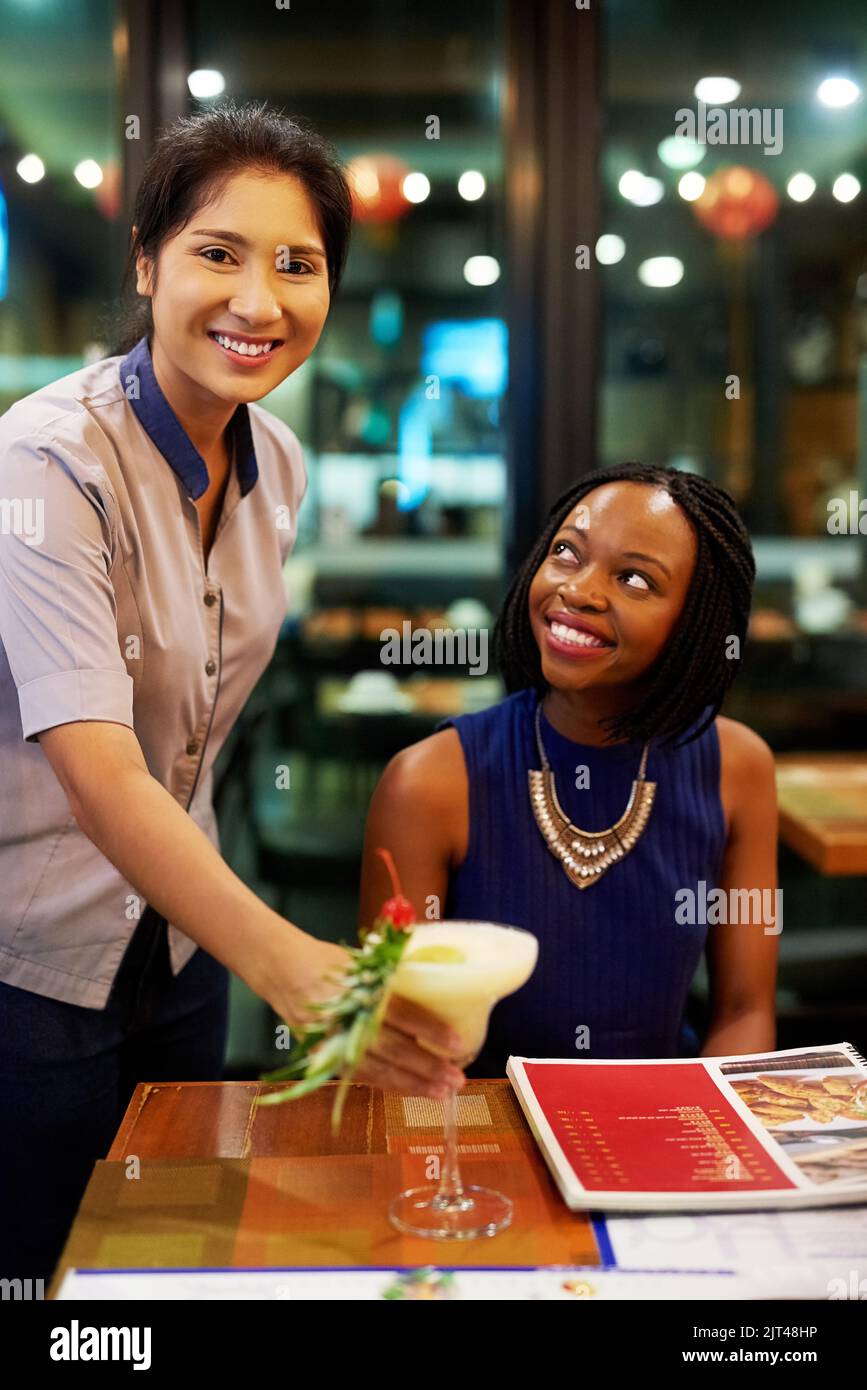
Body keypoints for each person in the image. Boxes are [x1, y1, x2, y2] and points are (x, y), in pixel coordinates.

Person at [0, 101, 464, 1283]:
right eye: (218, 253)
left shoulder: (281, 465)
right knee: (50, 1269)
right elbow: (99, 767)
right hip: (28, 960)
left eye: (297, 265)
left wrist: (234, 947)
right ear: (148, 262)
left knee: (170, 1258)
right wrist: (296, 967)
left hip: (181, 940)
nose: (259, 302)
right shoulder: (44, 461)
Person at [360, 462, 779, 1075]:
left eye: (634, 579)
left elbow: (745, 1012)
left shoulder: (738, 768)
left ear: (695, 621)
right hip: (480, 1137)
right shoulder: (429, 781)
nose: (579, 591)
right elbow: (388, 1037)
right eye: (566, 553)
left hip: (661, 1123)